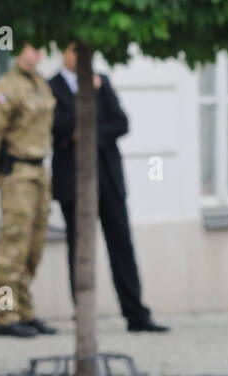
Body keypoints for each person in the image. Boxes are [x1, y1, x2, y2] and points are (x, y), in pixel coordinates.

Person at [50, 43, 167, 333]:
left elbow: (121, 122)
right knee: (78, 250)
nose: (78, 56)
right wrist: (80, 117)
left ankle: (136, 314)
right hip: (73, 182)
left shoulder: (102, 82)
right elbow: (56, 129)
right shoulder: (51, 87)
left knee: (122, 245)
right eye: (73, 50)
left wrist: (88, 134)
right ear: (63, 52)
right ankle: (84, 316)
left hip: (108, 179)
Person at [0, 45, 58, 338]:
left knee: (33, 247)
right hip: (18, 173)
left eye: (40, 49)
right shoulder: (6, 88)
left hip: (39, 171)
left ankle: (25, 310)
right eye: (31, 48)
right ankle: (6, 314)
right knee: (12, 248)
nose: (37, 54)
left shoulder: (40, 84)